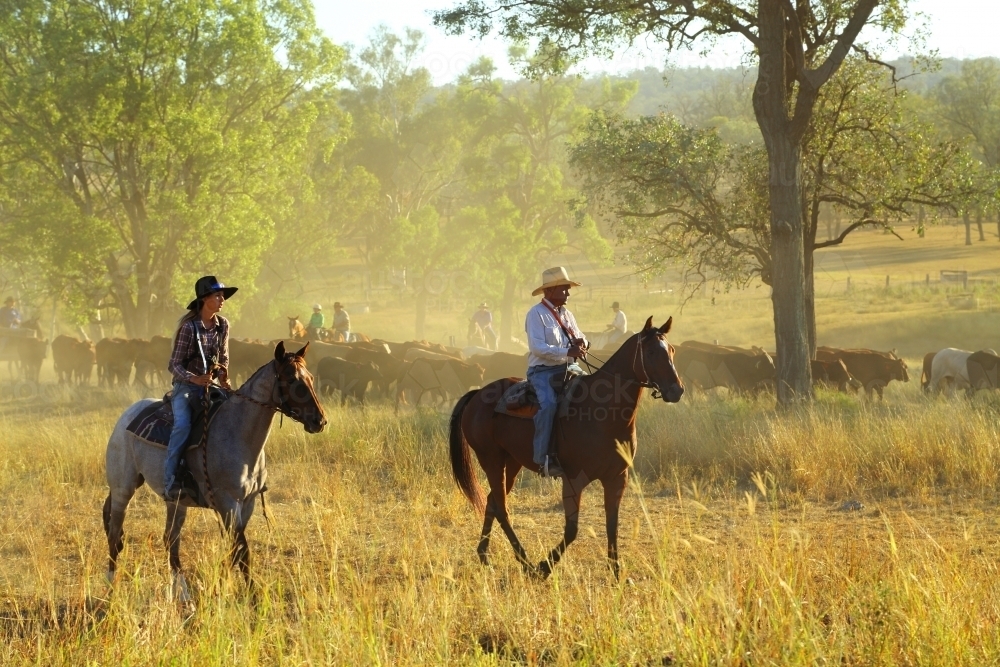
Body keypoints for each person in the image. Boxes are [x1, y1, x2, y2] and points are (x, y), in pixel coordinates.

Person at [164, 275, 237, 501]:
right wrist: (194, 379)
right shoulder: (188, 328)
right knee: (183, 426)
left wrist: (223, 375)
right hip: (185, 388)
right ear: (205, 299)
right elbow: (173, 365)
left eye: (222, 296)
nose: (222, 299)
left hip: (211, 386)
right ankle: (170, 482)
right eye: (217, 295)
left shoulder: (222, 325)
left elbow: (223, 358)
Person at [525, 266, 588, 478]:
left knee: (594, 393)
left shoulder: (567, 314)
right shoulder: (536, 314)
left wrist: (583, 343)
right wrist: (567, 351)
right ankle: (543, 460)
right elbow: (537, 348)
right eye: (564, 289)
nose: (568, 293)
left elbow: (581, 335)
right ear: (549, 291)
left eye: (568, 289)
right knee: (549, 405)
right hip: (543, 372)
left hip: (570, 368)